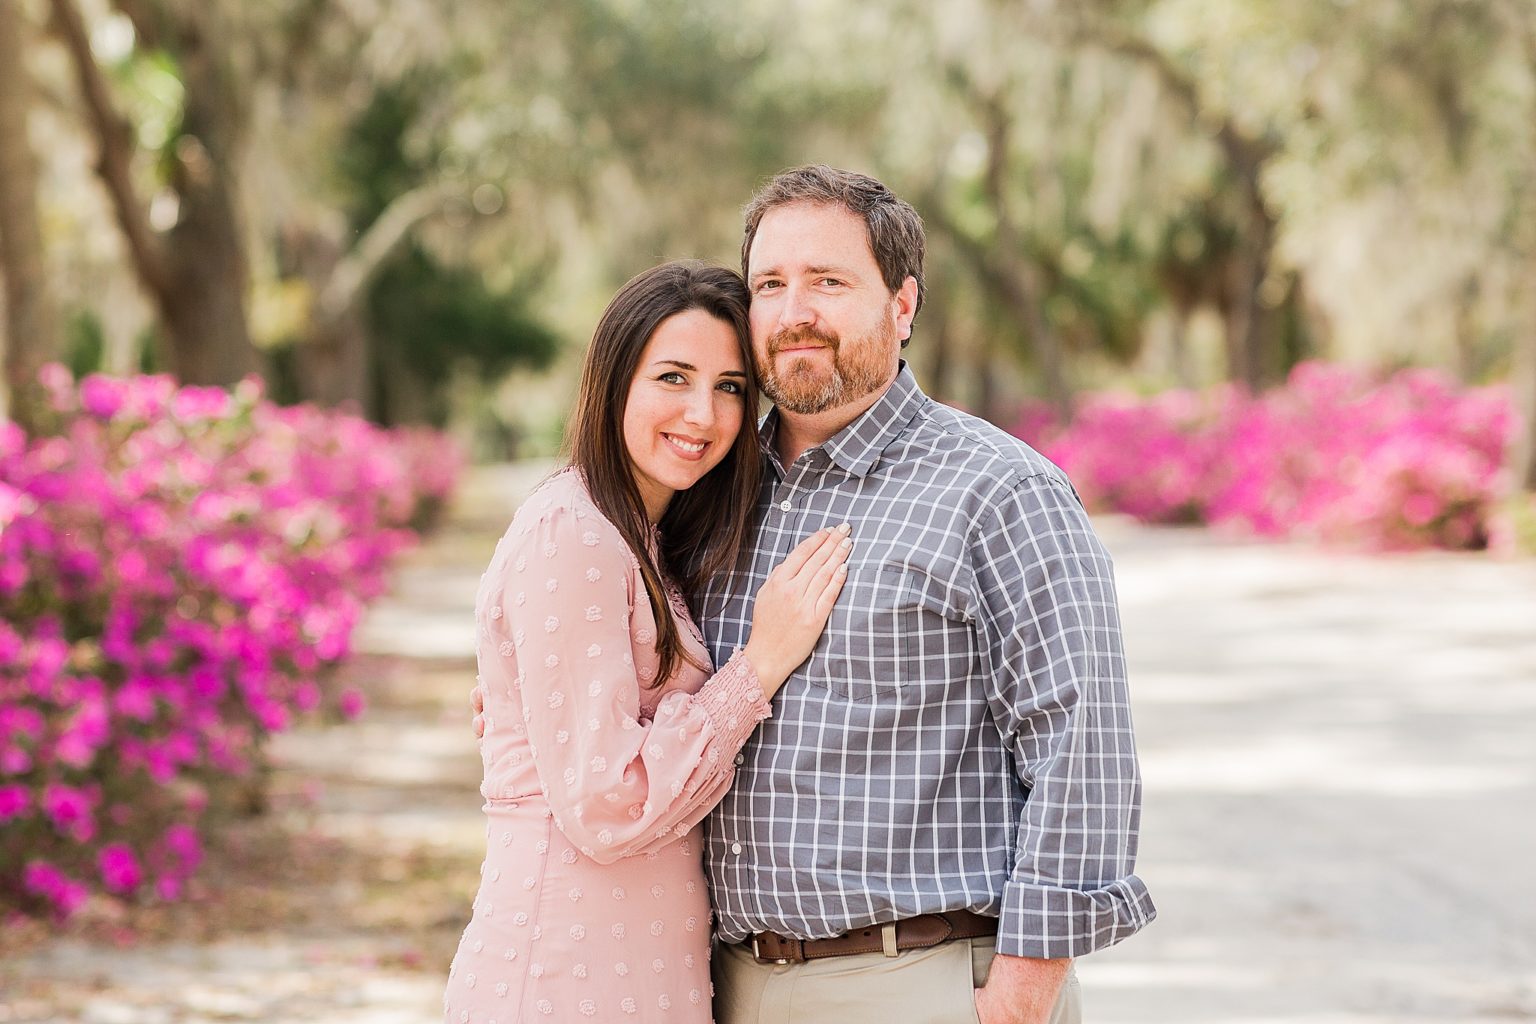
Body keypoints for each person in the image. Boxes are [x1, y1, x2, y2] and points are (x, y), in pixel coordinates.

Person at [692, 165, 1155, 1024]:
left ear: (902, 306)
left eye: (829, 281)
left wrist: (1016, 1004)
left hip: (923, 981)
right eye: (770, 285)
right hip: (728, 986)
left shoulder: (1000, 490)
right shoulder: (715, 496)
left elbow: (1081, 755)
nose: (795, 311)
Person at [443, 260, 852, 1024]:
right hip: (567, 975)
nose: (702, 414)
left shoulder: (647, 539)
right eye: (673, 377)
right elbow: (607, 800)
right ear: (614, 380)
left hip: (641, 972)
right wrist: (759, 666)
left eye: (730, 387)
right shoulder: (574, 530)